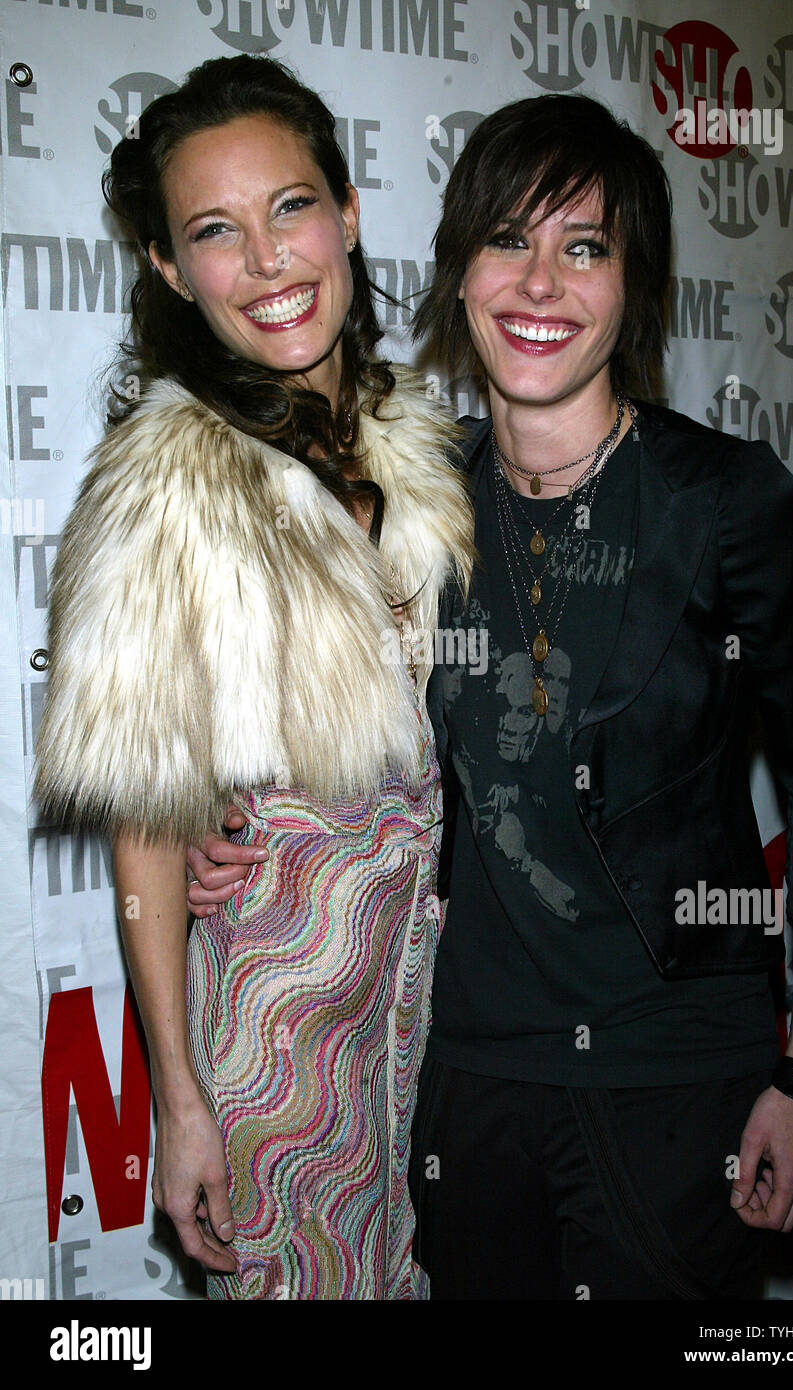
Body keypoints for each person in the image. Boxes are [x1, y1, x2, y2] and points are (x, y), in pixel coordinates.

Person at [189, 93, 793, 1301]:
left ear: (630, 286)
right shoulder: (405, 494)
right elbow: (328, 722)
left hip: (677, 1085)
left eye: (584, 248)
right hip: (469, 1082)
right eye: (508, 239)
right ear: (457, 274)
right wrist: (228, 823)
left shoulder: (724, 502)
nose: (540, 282)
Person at [34, 54, 473, 1302]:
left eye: (289, 207)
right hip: (276, 1043)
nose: (270, 259)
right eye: (214, 232)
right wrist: (181, 1099)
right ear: (172, 271)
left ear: (345, 207)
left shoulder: (420, 447)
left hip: (437, 1016)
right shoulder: (165, 482)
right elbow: (146, 818)